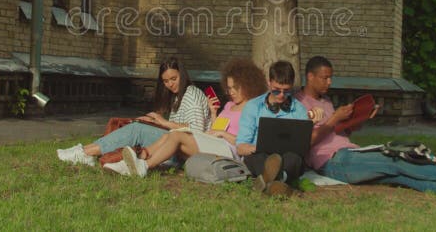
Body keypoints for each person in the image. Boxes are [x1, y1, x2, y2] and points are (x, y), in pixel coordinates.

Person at [295, 56, 436, 196]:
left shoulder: (326, 101)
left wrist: (358, 119)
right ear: (310, 76)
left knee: (400, 176)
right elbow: (305, 142)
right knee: (396, 159)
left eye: (331, 77)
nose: (329, 82)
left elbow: (339, 132)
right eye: (325, 78)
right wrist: (334, 119)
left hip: (350, 153)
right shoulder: (298, 104)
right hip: (333, 162)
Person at [105, 58, 268, 177]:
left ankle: (144, 166)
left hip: (230, 151)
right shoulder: (228, 105)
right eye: (229, 87)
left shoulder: (254, 108)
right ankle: (138, 159)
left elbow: (251, 144)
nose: (231, 92)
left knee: (177, 135)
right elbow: (215, 130)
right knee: (170, 134)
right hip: (215, 143)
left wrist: (224, 135)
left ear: (249, 84)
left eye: (236, 88)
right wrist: (213, 113)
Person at [57, 57, 210, 166]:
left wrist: (163, 122)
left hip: (185, 151)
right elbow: (180, 127)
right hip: (176, 146)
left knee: (137, 130)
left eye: (173, 78)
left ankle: (84, 152)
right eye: (165, 81)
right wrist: (156, 123)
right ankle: (88, 151)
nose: (170, 84)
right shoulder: (179, 96)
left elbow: (196, 130)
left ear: (182, 75)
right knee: (138, 126)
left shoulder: (192, 94)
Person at [236, 60, 310, 195]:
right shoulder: (253, 106)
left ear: (292, 86)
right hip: (259, 156)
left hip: (287, 159)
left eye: (286, 91)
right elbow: (241, 147)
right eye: (276, 91)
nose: (281, 95)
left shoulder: (299, 110)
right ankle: (280, 185)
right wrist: (257, 148)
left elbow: (303, 148)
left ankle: (268, 181)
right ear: (269, 82)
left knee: (294, 158)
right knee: (259, 157)